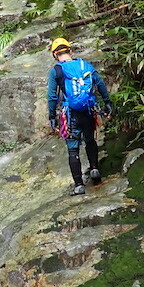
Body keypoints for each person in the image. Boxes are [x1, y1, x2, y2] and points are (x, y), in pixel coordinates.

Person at [47, 37, 112, 196]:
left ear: (55, 55)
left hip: (70, 113)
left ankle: (78, 185)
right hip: (89, 110)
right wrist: (107, 102)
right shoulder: (85, 65)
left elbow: (52, 96)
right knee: (90, 139)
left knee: (73, 147)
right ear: (70, 51)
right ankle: (95, 170)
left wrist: (52, 116)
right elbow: (100, 83)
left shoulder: (57, 70)